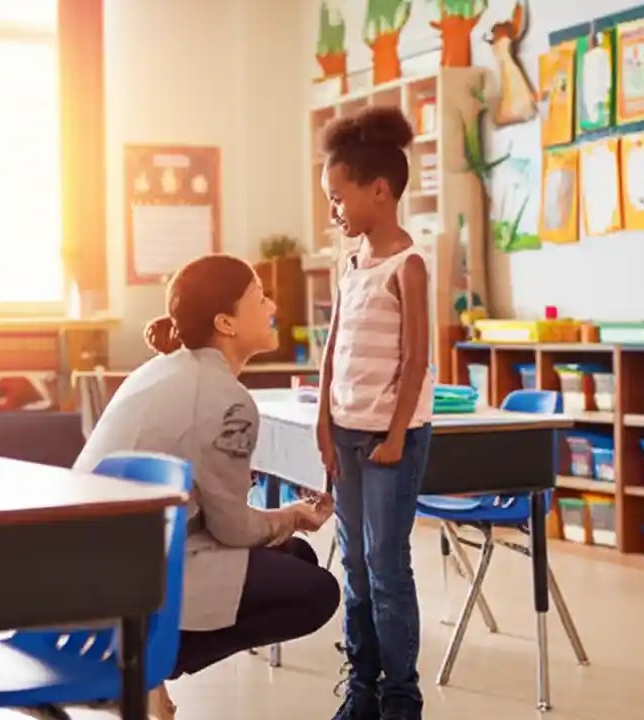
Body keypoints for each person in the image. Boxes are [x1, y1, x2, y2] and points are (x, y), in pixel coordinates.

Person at [72, 254, 340, 719]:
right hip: (130, 574)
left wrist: (282, 523)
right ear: (225, 322)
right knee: (317, 592)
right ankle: (134, 669)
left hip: (99, 562)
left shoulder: (166, 368)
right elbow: (234, 529)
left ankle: (141, 664)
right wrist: (292, 516)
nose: (273, 306)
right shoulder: (224, 398)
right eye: (260, 299)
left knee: (295, 556)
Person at [316, 106, 434, 720]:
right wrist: (322, 424)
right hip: (345, 432)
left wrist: (392, 437)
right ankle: (360, 690)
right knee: (356, 568)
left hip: (392, 442)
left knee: (387, 568)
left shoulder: (407, 264)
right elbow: (333, 347)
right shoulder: (352, 264)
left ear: (379, 191)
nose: (333, 210)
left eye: (338, 197)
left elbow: (416, 359)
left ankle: (399, 699)